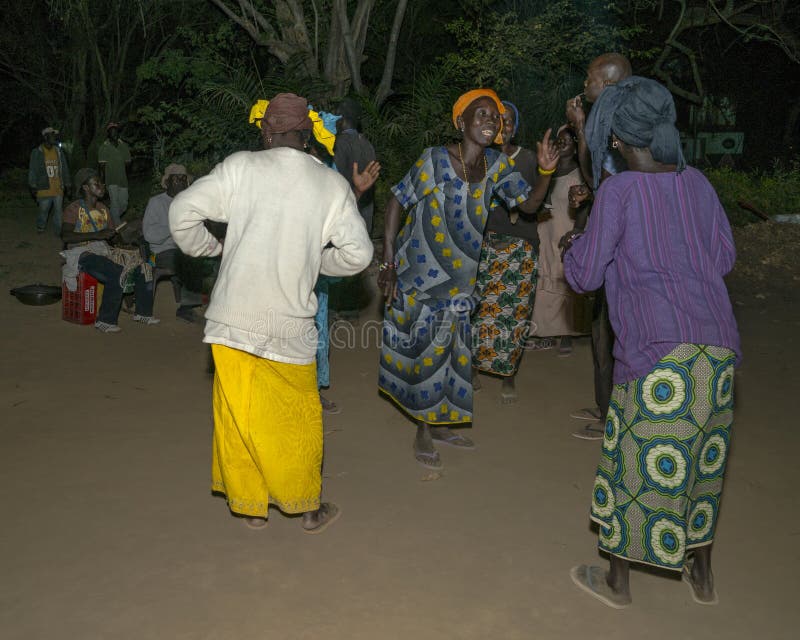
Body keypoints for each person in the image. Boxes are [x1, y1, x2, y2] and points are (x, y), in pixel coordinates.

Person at [562, 77, 741, 609]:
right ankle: (702, 576)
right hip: (720, 350)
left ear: (615, 138)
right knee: (702, 468)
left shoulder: (618, 191)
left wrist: (578, 241)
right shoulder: (699, 184)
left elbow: (586, 275)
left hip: (657, 354)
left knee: (634, 466)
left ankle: (617, 583)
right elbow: (724, 259)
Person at [169, 93, 378, 532]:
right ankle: (308, 508)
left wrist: (211, 248)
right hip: (289, 325)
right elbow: (359, 255)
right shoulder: (330, 184)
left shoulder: (241, 167)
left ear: (267, 131)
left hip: (231, 320)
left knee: (239, 415)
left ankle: (250, 506)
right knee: (297, 417)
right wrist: (318, 264)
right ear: (306, 135)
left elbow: (181, 211)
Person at [378, 89, 558, 470]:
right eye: (480, 115)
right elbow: (397, 201)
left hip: (462, 280)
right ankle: (423, 431)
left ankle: (442, 424)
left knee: (454, 356)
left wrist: (544, 171)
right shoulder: (435, 160)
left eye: (494, 116)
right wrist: (388, 262)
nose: (490, 121)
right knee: (428, 355)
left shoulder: (496, 165)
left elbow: (528, 206)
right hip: (420, 275)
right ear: (460, 123)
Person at [565, 52, 632, 440]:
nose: (584, 84)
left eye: (590, 78)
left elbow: (605, 182)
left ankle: (613, 420)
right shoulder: (610, 124)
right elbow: (600, 185)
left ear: (607, 84)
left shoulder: (622, 126)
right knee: (599, 331)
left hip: (620, 250)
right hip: (608, 241)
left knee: (612, 335)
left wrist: (581, 127)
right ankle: (605, 404)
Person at [471, 101, 540, 403]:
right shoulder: (481, 158)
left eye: (510, 121)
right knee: (479, 312)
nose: (505, 126)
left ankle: (508, 374)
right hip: (484, 242)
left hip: (520, 243)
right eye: (500, 120)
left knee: (515, 313)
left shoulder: (529, 158)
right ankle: (473, 367)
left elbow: (536, 202)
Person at [61, 168, 159, 333]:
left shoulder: (103, 210)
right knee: (116, 271)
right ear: (85, 187)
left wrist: (131, 234)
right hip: (81, 254)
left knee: (146, 266)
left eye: (101, 182)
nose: (102, 186)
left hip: (104, 250)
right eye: (96, 183)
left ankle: (142, 313)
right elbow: (66, 236)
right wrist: (98, 234)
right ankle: (105, 320)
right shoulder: (74, 209)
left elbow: (113, 239)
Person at [530, 125, 586, 356]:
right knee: (544, 276)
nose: (562, 143)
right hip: (545, 229)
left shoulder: (581, 174)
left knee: (565, 279)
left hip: (566, 229)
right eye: (559, 140)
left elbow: (585, 206)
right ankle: (542, 331)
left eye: (567, 141)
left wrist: (579, 232)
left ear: (575, 148)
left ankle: (567, 333)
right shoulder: (545, 170)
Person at [142, 163, 204, 323]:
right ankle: (186, 309)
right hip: (161, 252)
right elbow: (149, 235)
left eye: (184, 180)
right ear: (167, 182)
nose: (181, 183)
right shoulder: (156, 202)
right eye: (177, 179)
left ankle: (189, 306)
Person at [334, 98, 377, 234]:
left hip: (347, 205)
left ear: (341, 118)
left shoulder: (340, 143)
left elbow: (336, 177)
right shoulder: (367, 143)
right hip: (366, 204)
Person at [28, 126, 71, 235]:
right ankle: (41, 226)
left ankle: (58, 231)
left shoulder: (58, 151)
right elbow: (33, 170)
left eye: (55, 135)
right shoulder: (37, 152)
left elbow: (64, 168)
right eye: (52, 135)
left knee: (58, 212)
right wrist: (32, 185)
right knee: (43, 211)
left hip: (58, 187)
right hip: (44, 188)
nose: (54, 137)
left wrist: (68, 184)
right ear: (45, 137)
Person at [98, 122, 132, 225]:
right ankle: (118, 227)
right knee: (115, 204)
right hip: (111, 180)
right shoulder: (104, 147)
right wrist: (102, 183)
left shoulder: (124, 146)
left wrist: (125, 173)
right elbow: (101, 167)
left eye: (116, 131)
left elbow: (128, 163)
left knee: (124, 204)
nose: (114, 133)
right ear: (108, 133)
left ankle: (110, 217)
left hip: (123, 180)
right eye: (112, 131)